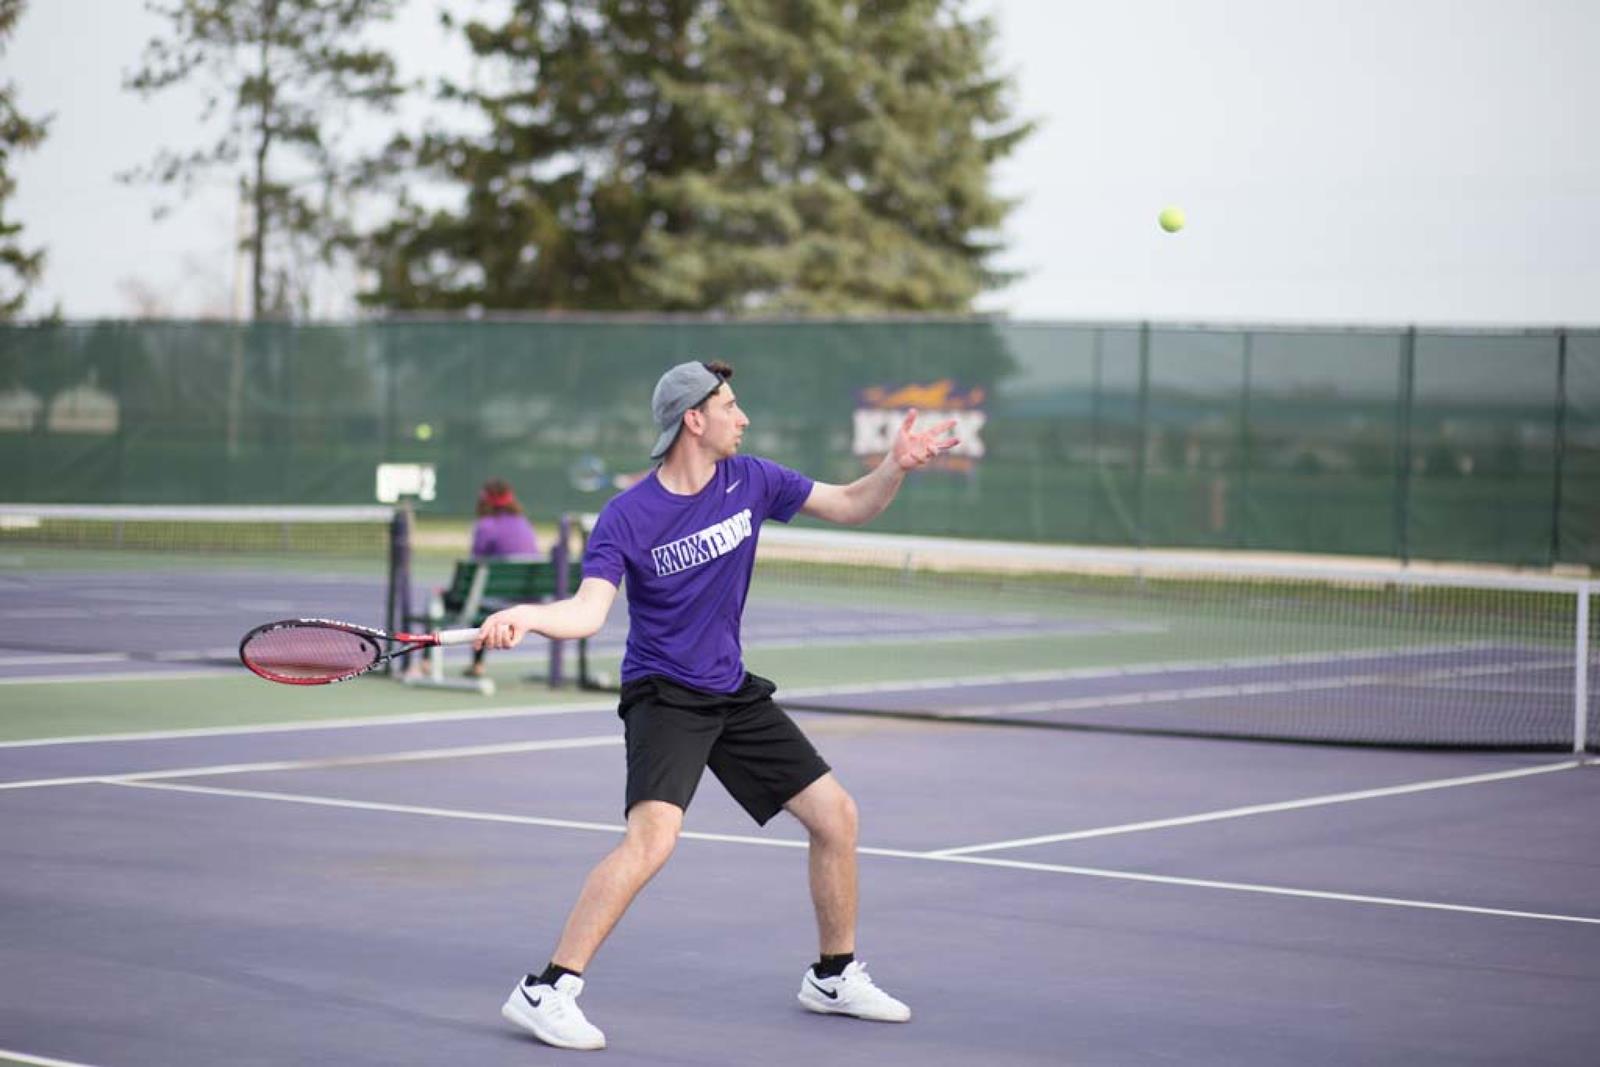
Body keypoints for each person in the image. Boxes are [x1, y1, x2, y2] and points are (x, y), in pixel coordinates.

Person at [476, 360, 957, 1051]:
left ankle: (832, 976)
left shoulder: (752, 479)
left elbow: (851, 504)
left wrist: (895, 467)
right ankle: (546, 989)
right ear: (693, 419)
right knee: (652, 841)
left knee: (836, 815)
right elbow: (587, 612)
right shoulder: (627, 516)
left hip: (730, 689)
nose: (744, 417)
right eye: (731, 405)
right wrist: (526, 616)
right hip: (665, 694)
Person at [463, 479, 540, 678]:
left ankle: (429, 663)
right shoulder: (524, 523)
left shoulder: (485, 526)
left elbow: (474, 567)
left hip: (498, 599)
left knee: (440, 604)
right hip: (530, 595)